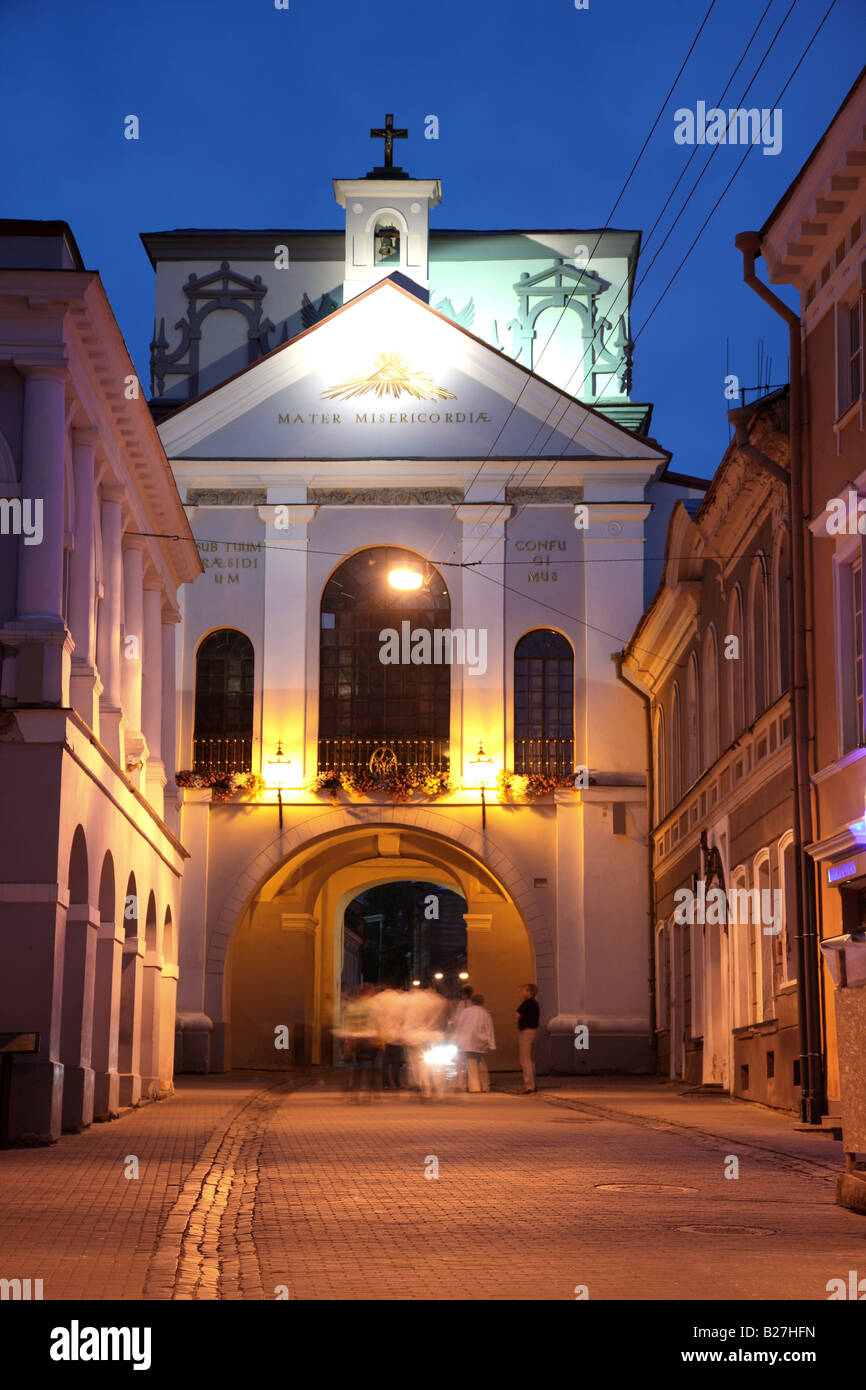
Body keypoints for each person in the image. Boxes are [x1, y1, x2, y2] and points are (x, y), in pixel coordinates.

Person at [452, 992, 496, 1093]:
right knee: (481, 1063)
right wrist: (491, 1044)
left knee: (471, 1065)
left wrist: (456, 1039)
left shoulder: (466, 1012)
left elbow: (459, 1026)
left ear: (472, 1001)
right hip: (480, 1041)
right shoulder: (485, 1013)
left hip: (467, 1041)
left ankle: (475, 1088)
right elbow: (490, 1029)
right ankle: (485, 1086)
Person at [516, 983, 540, 1093]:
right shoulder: (535, 1003)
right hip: (533, 1031)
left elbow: (517, 1014)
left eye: (525, 990)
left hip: (526, 1032)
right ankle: (533, 1084)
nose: (523, 992)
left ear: (530, 992)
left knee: (525, 1059)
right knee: (529, 1060)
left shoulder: (528, 1003)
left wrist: (519, 1018)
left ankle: (529, 1086)